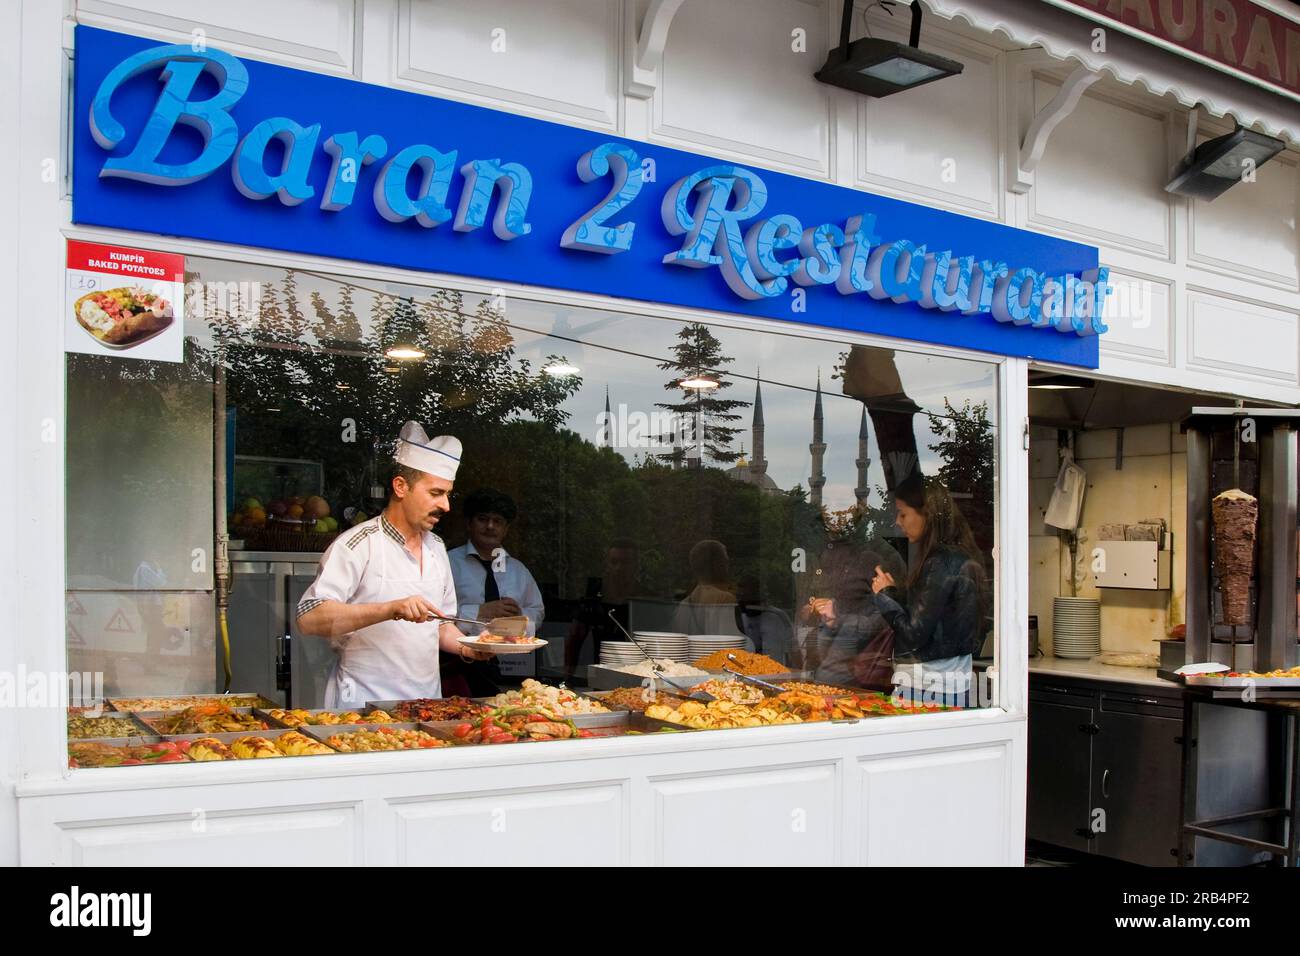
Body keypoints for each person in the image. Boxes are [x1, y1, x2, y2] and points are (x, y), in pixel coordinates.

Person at [296, 422, 492, 707]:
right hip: (361, 710)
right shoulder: (358, 545)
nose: (446, 506)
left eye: (448, 494)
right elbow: (309, 618)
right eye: (436, 493)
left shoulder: (437, 548)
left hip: (426, 708)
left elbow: (440, 626)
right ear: (401, 486)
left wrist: (472, 648)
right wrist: (390, 609)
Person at [870, 478, 986, 707]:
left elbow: (914, 633)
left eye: (903, 514)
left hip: (926, 686)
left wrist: (886, 595)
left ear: (927, 515)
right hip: (949, 682)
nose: (897, 522)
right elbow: (937, 619)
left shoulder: (940, 564)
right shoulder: (960, 558)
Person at [446, 488, 544, 694]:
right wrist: (479, 612)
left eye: (497, 521)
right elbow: (433, 616)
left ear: (506, 528)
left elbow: (537, 611)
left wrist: (520, 619)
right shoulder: (447, 563)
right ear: (469, 523)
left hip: (505, 665)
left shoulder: (518, 570)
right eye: (483, 519)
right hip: (453, 665)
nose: (490, 526)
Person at [803, 541, 900, 691]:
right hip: (828, 682)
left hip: (858, 683)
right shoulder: (838, 603)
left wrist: (837, 620)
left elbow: (878, 625)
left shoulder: (876, 601)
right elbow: (822, 649)